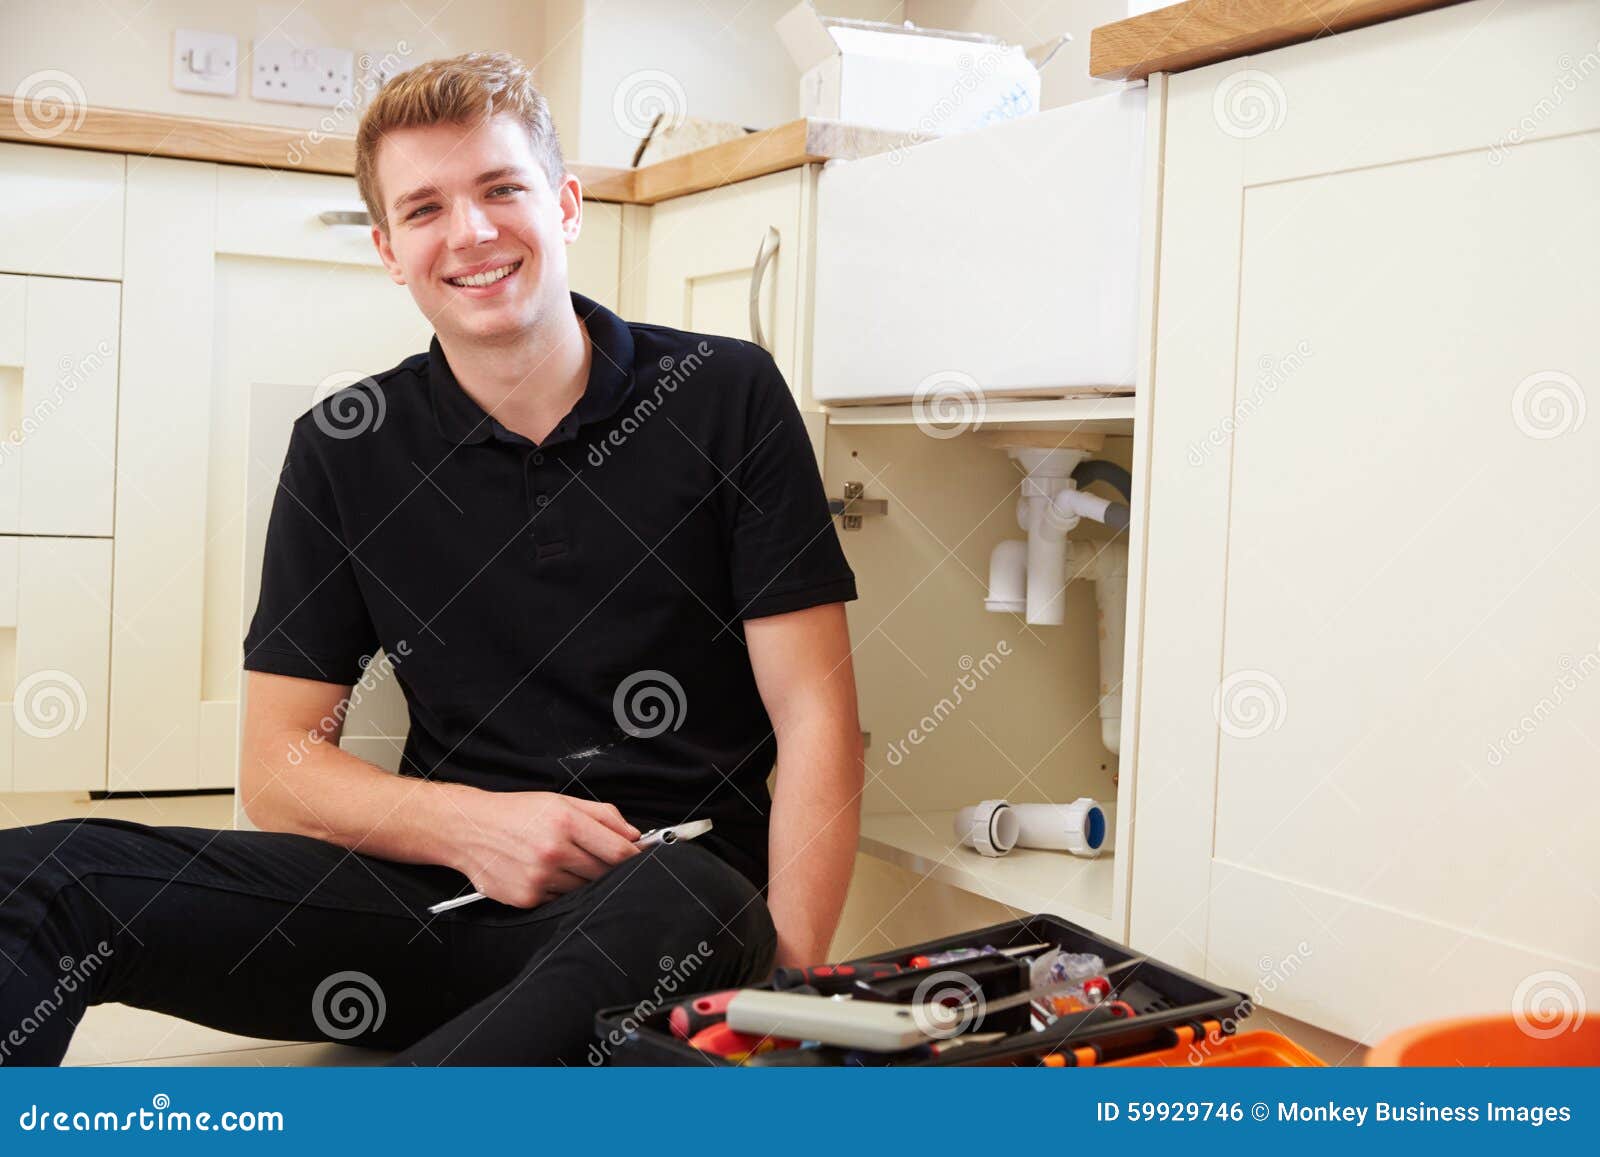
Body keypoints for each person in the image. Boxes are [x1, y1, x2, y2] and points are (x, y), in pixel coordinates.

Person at [0, 52, 863, 1067]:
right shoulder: (344, 444)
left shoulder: (725, 393)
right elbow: (277, 769)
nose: (472, 232)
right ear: (388, 247)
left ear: (567, 205)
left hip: (666, 904)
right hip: (428, 906)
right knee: (36, 877)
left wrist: (791, 997)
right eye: (425, 208)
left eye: (502, 188)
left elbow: (817, 718)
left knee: (688, 894)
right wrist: (473, 826)